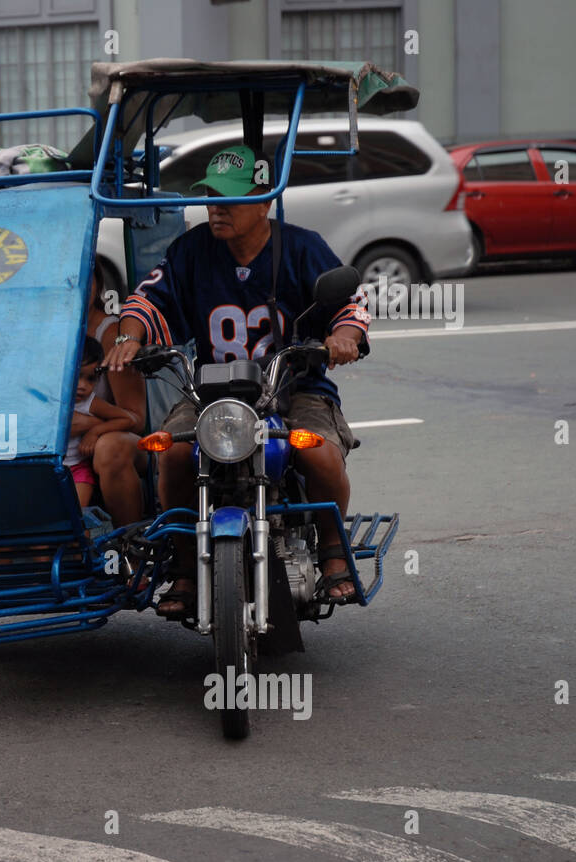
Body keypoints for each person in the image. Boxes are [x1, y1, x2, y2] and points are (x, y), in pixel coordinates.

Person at [105, 145, 370, 618]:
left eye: (230, 198)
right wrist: (130, 336)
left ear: (264, 200)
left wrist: (343, 338)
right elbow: (147, 299)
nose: (216, 208)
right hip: (212, 392)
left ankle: (334, 553)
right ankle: (185, 568)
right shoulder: (191, 250)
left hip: (295, 388)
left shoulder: (303, 247)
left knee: (317, 451)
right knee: (176, 454)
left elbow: (349, 304)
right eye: (210, 197)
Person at [84, 262, 148, 524]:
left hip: (113, 441)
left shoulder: (111, 333)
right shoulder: (36, 333)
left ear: (97, 283)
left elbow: (136, 418)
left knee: (110, 448)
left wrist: (89, 426)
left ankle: (130, 551)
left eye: (82, 277)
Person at [64, 336, 139, 507]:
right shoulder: (49, 399)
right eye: (78, 375)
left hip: (78, 470)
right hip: (50, 469)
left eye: (90, 379)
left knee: (78, 518)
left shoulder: (89, 402)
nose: (83, 385)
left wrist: (94, 432)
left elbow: (128, 419)